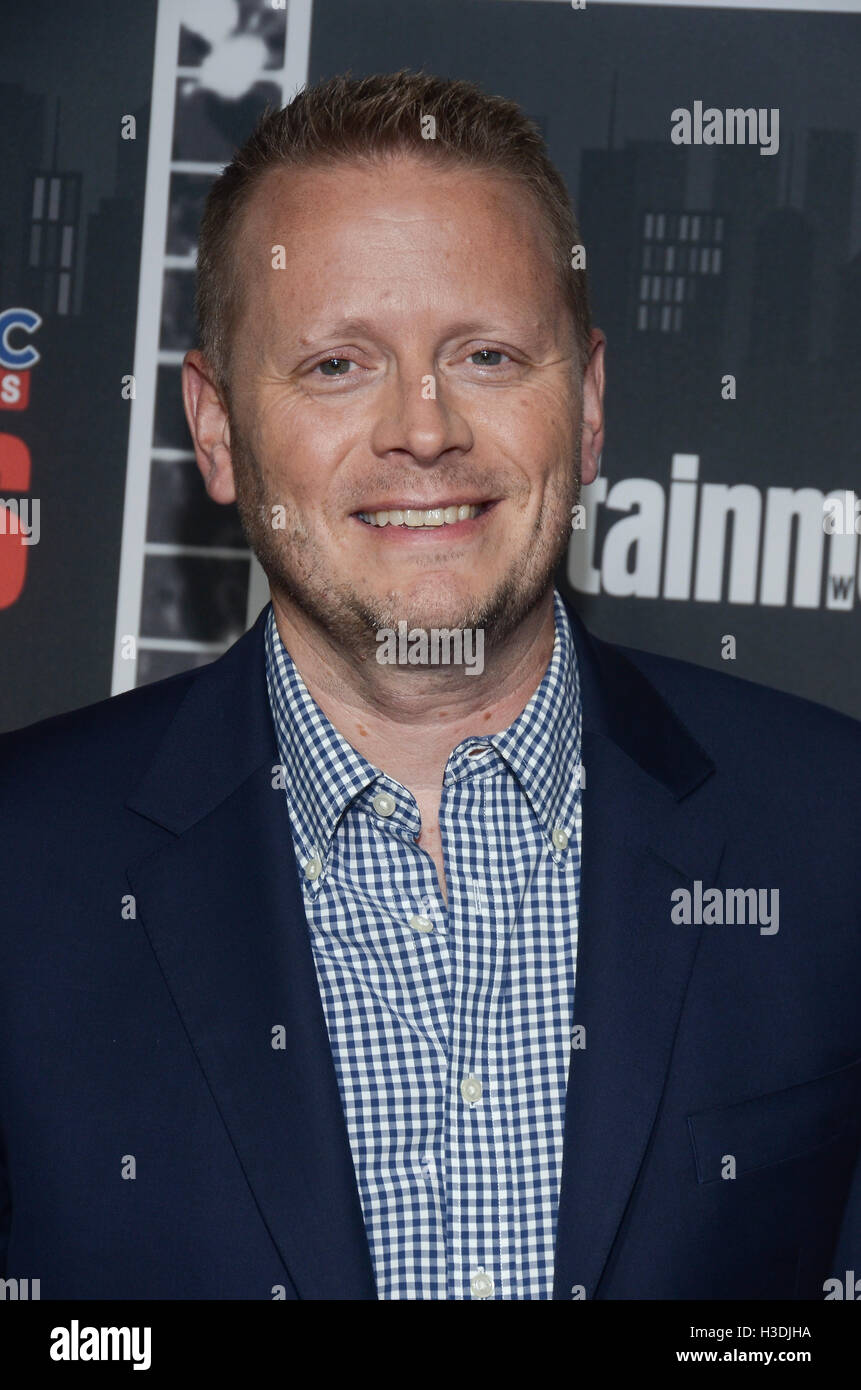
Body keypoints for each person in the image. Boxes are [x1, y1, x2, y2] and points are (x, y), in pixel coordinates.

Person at [1, 70, 859, 1301]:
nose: (424, 427)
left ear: (590, 405)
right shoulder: (23, 871)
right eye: (337, 364)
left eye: (488, 354)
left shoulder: (831, 837)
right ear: (219, 428)